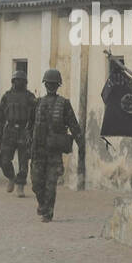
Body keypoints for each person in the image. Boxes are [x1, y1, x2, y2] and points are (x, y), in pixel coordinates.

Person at [28, 68, 83, 222]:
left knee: (50, 185)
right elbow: (30, 126)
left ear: (58, 85)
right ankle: (42, 204)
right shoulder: (37, 103)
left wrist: (81, 143)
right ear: (45, 85)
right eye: (49, 84)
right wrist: (28, 146)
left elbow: (74, 125)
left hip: (54, 152)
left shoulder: (64, 104)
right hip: (38, 151)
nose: (51, 86)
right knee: (36, 183)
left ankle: (48, 212)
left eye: (53, 84)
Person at [0, 70, 37, 196]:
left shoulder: (30, 97)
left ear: (25, 82)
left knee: (24, 161)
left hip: (24, 131)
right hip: (10, 131)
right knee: (5, 160)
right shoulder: (6, 97)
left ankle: (20, 185)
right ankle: (11, 177)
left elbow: (35, 117)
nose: (19, 82)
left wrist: (32, 133)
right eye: (17, 80)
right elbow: (0, 117)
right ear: (13, 81)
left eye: (21, 80)